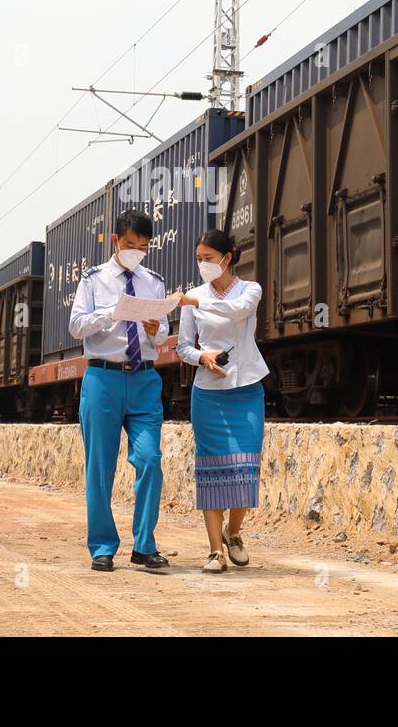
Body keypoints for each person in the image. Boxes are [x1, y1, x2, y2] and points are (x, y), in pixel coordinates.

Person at [68, 209, 171, 572]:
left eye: (143, 247)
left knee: (150, 460)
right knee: (100, 467)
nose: (136, 252)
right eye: (130, 245)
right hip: (103, 379)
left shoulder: (154, 281)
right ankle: (102, 546)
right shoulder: (93, 280)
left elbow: (161, 335)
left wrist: (158, 327)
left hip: (144, 379)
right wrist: (112, 313)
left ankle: (144, 545)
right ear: (115, 240)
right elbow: (76, 326)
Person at [174, 229, 268, 573]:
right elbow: (183, 347)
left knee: (245, 468)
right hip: (208, 393)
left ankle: (234, 533)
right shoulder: (192, 297)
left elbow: (238, 312)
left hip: (246, 388)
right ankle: (215, 551)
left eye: (208, 258)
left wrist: (194, 302)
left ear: (227, 258)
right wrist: (203, 357)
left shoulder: (250, 290)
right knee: (210, 469)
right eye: (199, 259)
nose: (203, 265)